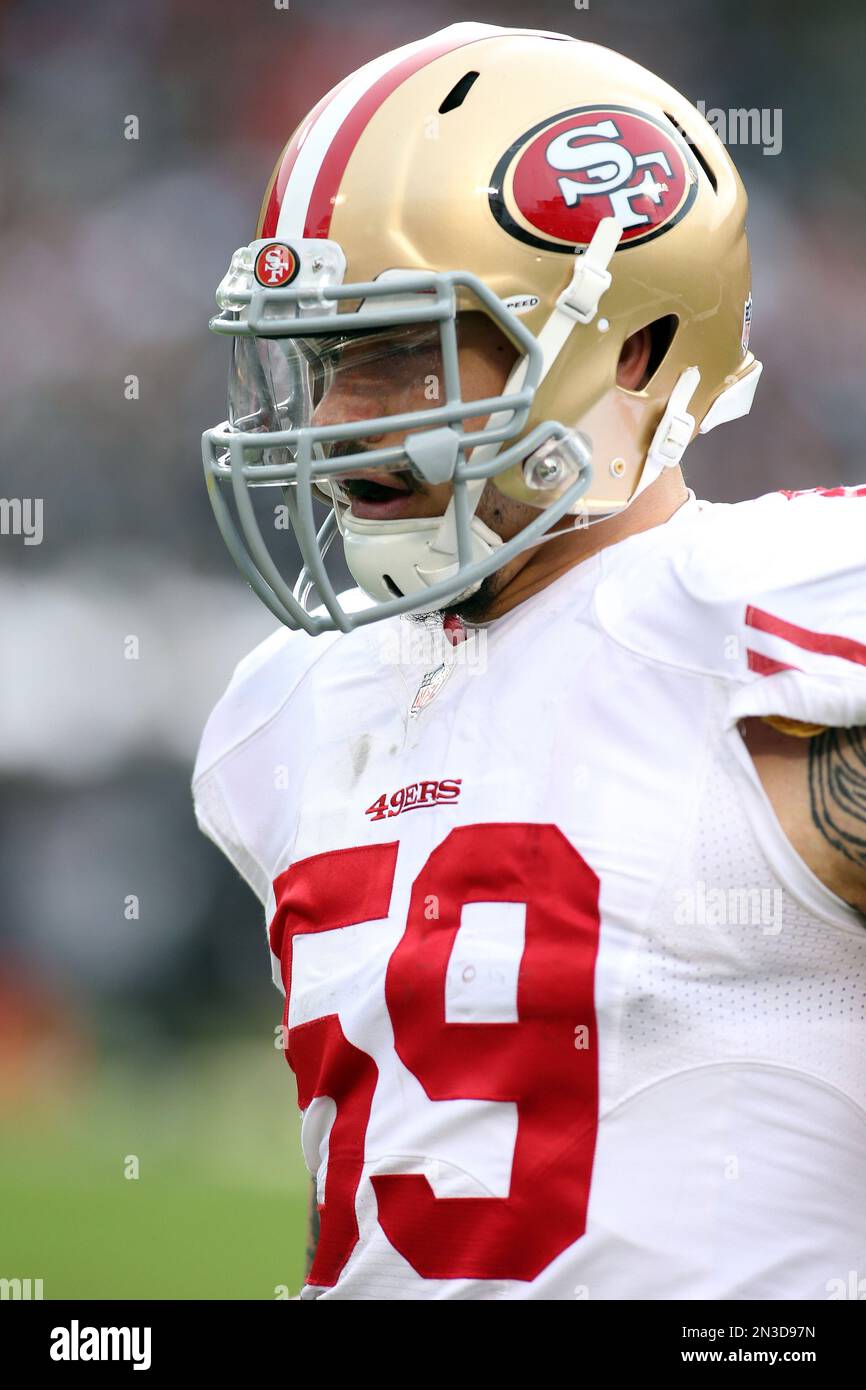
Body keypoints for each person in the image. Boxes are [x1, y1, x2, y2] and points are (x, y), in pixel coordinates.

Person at [194, 21, 866, 1299]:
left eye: (403, 352)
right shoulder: (281, 712)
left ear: (629, 348)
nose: (335, 420)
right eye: (325, 357)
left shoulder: (774, 633)